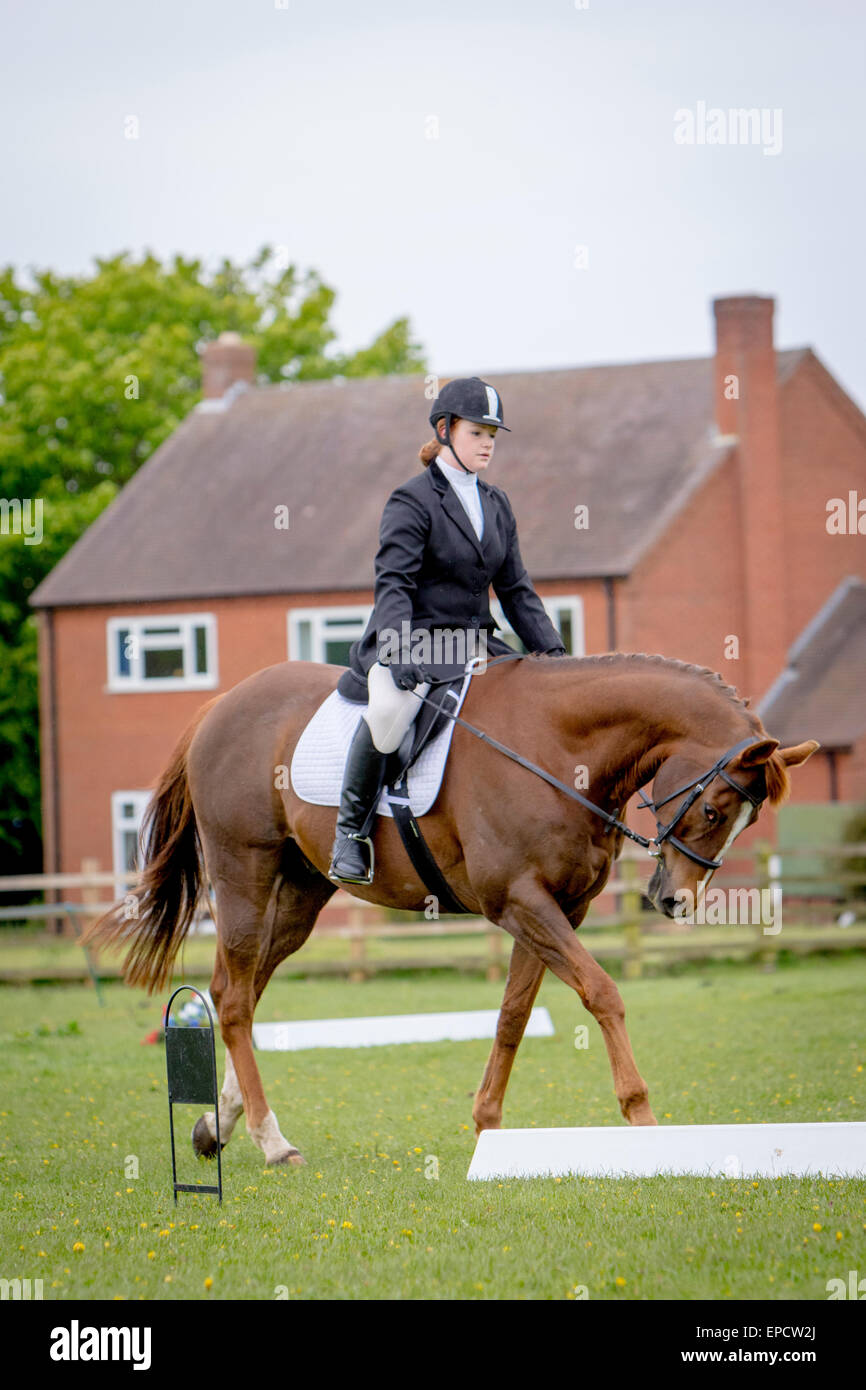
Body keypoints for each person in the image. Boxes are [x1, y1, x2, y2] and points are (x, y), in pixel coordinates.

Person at [328, 376, 567, 884]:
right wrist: (396, 650)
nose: (487, 444)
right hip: (413, 640)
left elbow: (517, 590)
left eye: (493, 436)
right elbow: (394, 583)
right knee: (391, 711)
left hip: (477, 642)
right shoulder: (411, 501)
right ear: (444, 429)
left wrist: (556, 656)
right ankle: (350, 833)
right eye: (478, 433)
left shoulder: (496, 504)